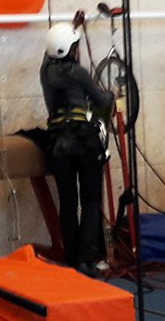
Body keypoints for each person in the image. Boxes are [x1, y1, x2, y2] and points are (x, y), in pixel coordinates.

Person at [40, 22, 114, 276]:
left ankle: (71, 257)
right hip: (83, 140)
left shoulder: (44, 73)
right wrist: (113, 95)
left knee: (68, 202)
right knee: (91, 201)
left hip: (57, 142)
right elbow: (101, 100)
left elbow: (52, 50)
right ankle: (86, 259)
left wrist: (70, 27)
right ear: (71, 50)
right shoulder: (78, 73)